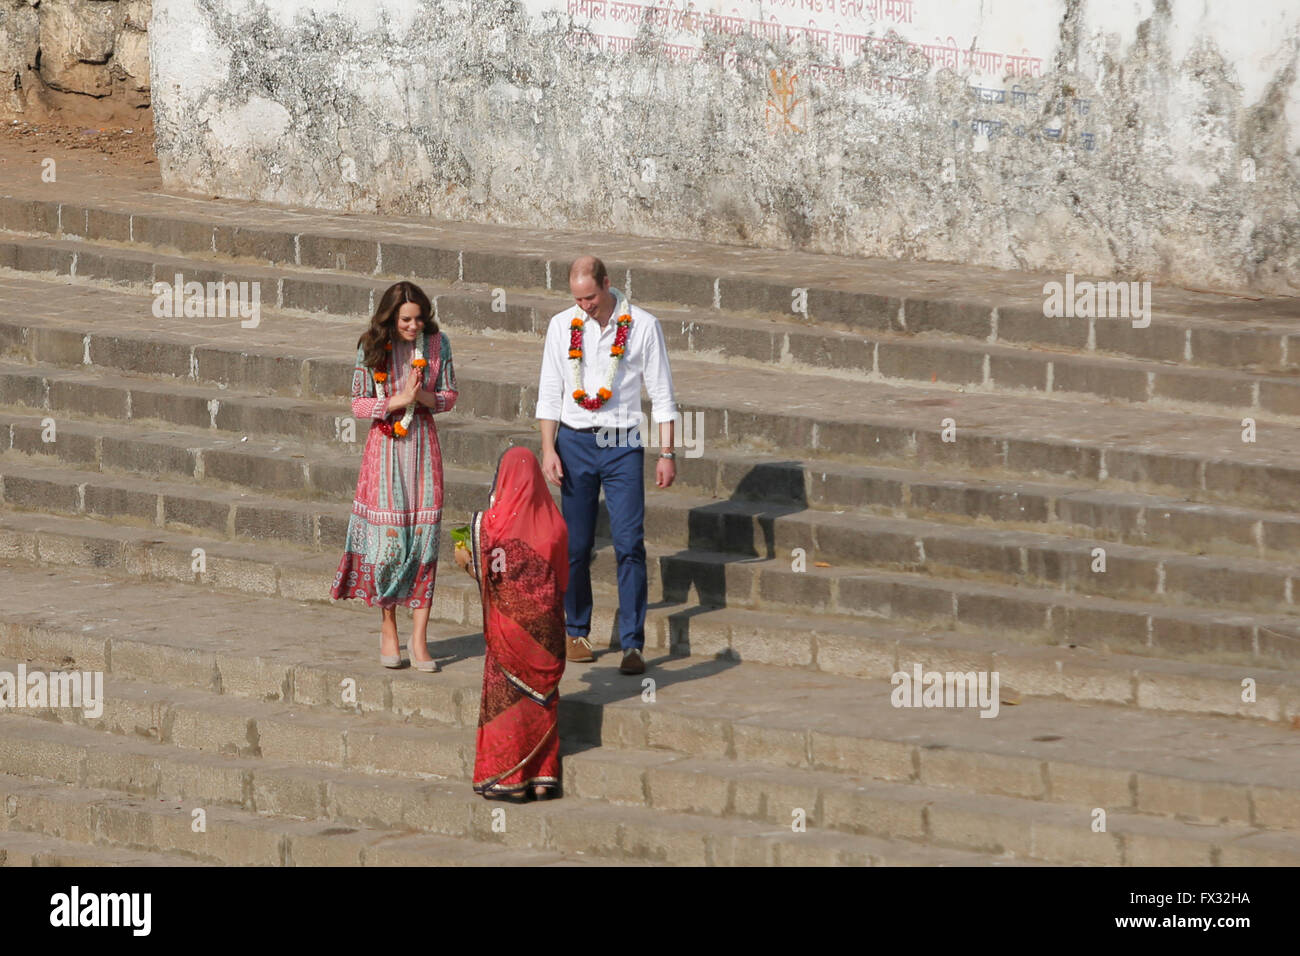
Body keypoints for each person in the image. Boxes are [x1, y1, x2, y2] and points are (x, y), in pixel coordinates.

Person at [536, 255, 677, 675]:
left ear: (608, 284)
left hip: (622, 441)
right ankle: (576, 629)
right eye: (578, 298)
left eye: (592, 297)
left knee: (629, 543)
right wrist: (549, 448)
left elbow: (663, 395)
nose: (586, 306)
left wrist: (666, 454)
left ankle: (633, 643)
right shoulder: (562, 326)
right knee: (576, 546)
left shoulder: (644, 326)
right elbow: (549, 392)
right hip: (574, 441)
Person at [330, 281, 458, 672]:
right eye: (406, 319)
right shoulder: (370, 346)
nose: (414, 326)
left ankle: (419, 639)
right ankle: (388, 628)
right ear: (390, 317)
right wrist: (394, 401)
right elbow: (358, 403)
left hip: (422, 448)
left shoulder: (438, 345)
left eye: (419, 318)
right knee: (387, 548)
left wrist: (420, 398)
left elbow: (450, 395)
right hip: (384, 451)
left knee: (423, 544)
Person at [454, 447, 568, 801]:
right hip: (546, 634)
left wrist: (465, 562)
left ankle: (508, 779)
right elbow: (562, 580)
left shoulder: (490, 525)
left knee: (507, 700)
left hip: (508, 633)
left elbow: (476, 565)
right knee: (541, 701)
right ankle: (542, 776)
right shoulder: (556, 526)